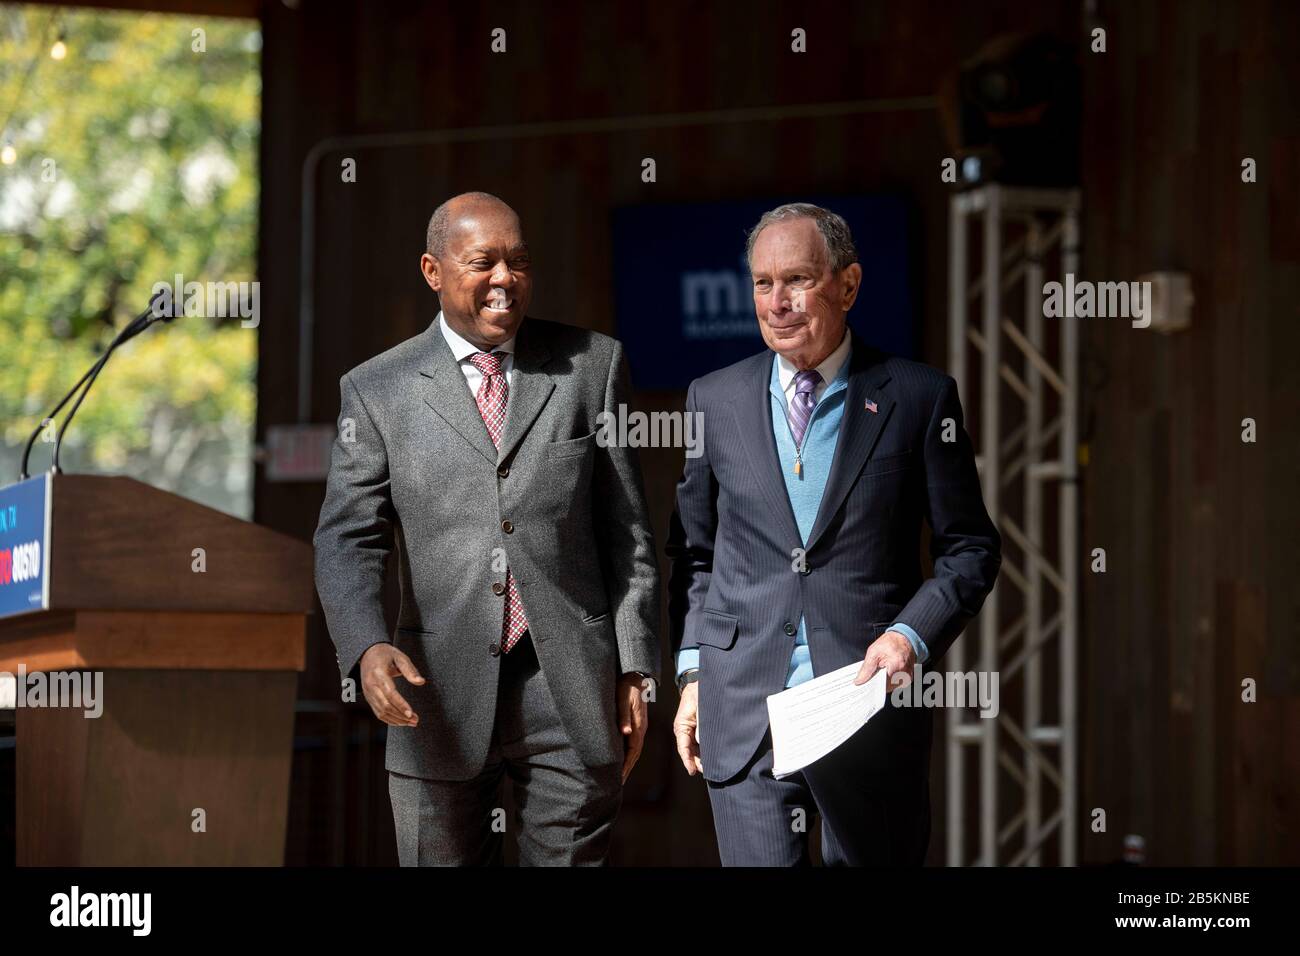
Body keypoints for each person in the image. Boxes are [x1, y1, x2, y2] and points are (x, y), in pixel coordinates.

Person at [314, 191, 660, 865]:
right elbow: (346, 539)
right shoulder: (376, 390)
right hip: (433, 697)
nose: (506, 278)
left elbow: (628, 536)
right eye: (484, 262)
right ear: (432, 270)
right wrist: (364, 645)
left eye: (519, 261)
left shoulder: (593, 366)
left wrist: (635, 666)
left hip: (570, 693)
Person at [667, 202, 1000, 865]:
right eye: (763, 283)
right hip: (745, 712)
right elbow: (697, 554)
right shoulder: (714, 399)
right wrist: (694, 671)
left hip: (865, 711)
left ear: (848, 285)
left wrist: (910, 637)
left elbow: (970, 548)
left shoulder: (919, 396)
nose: (777, 301)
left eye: (796, 280)